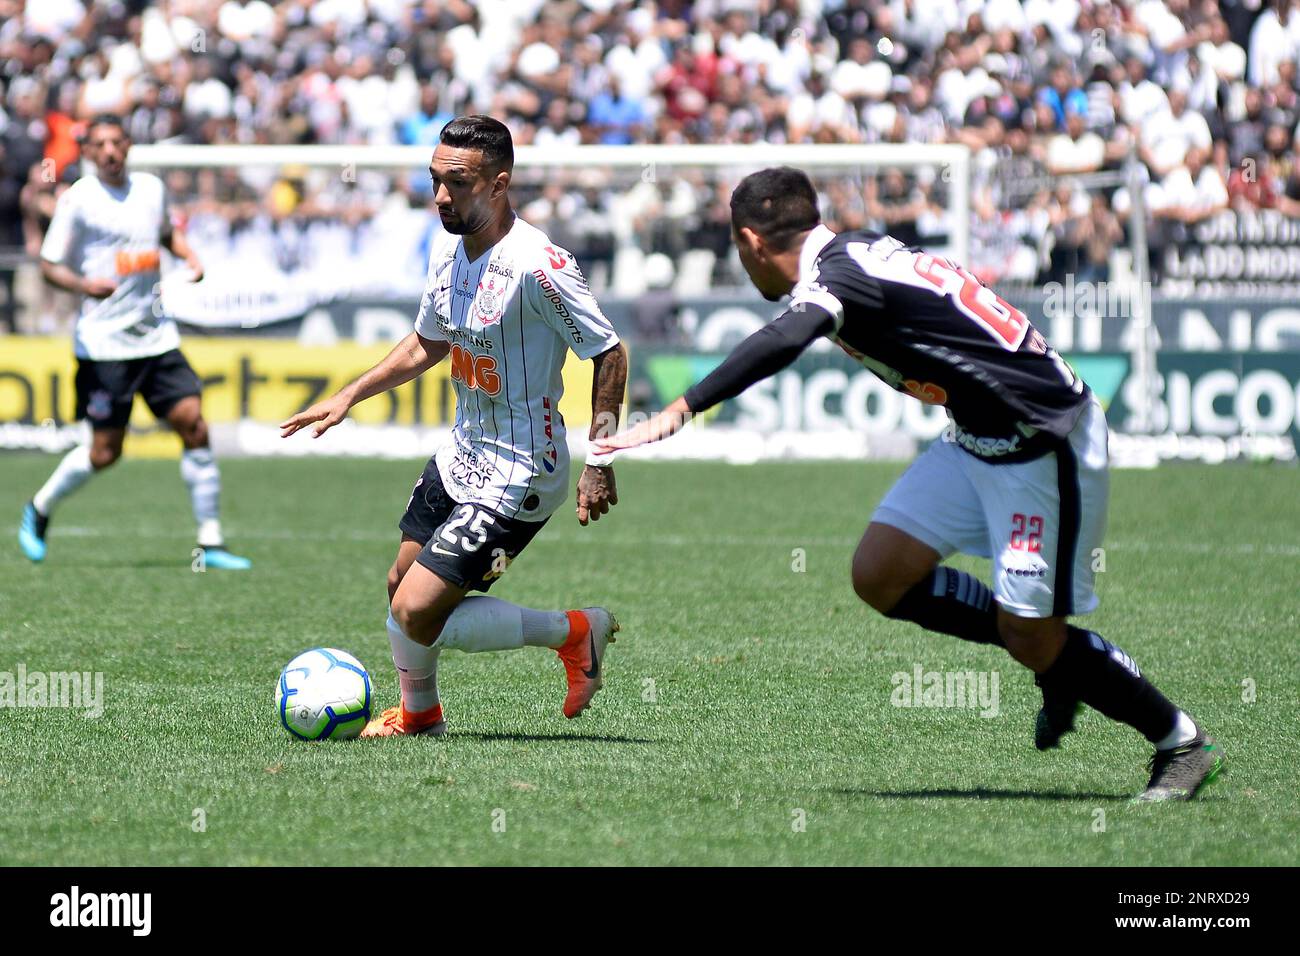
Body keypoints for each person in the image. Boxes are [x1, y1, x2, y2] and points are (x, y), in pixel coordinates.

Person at [596, 166, 1223, 802]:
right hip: (974, 438)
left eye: (738, 247)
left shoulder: (837, 280)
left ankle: (1180, 741)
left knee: (1033, 634)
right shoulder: (855, 251)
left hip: (1044, 440)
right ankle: (1049, 655)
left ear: (752, 242)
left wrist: (681, 409)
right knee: (880, 573)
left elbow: (787, 337)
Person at [281, 116, 629, 737]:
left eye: (457, 183)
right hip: (462, 452)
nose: (441, 196)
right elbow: (427, 343)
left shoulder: (538, 265)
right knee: (398, 589)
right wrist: (350, 395)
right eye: (435, 180)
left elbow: (610, 351)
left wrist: (600, 460)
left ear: (499, 185)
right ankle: (437, 708)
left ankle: (564, 637)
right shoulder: (447, 249)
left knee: (416, 612)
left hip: (521, 471)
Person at [19, 114, 251, 571]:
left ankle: (211, 542)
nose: (109, 151)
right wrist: (84, 285)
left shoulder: (150, 189)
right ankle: (40, 508)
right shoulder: (78, 200)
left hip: (156, 336)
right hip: (104, 346)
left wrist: (188, 255)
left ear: (128, 145)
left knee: (194, 424)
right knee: (105, 452)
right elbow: (48, 264)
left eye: (117, 142)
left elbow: (166, 233)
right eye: (100, 145)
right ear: (88, 152)